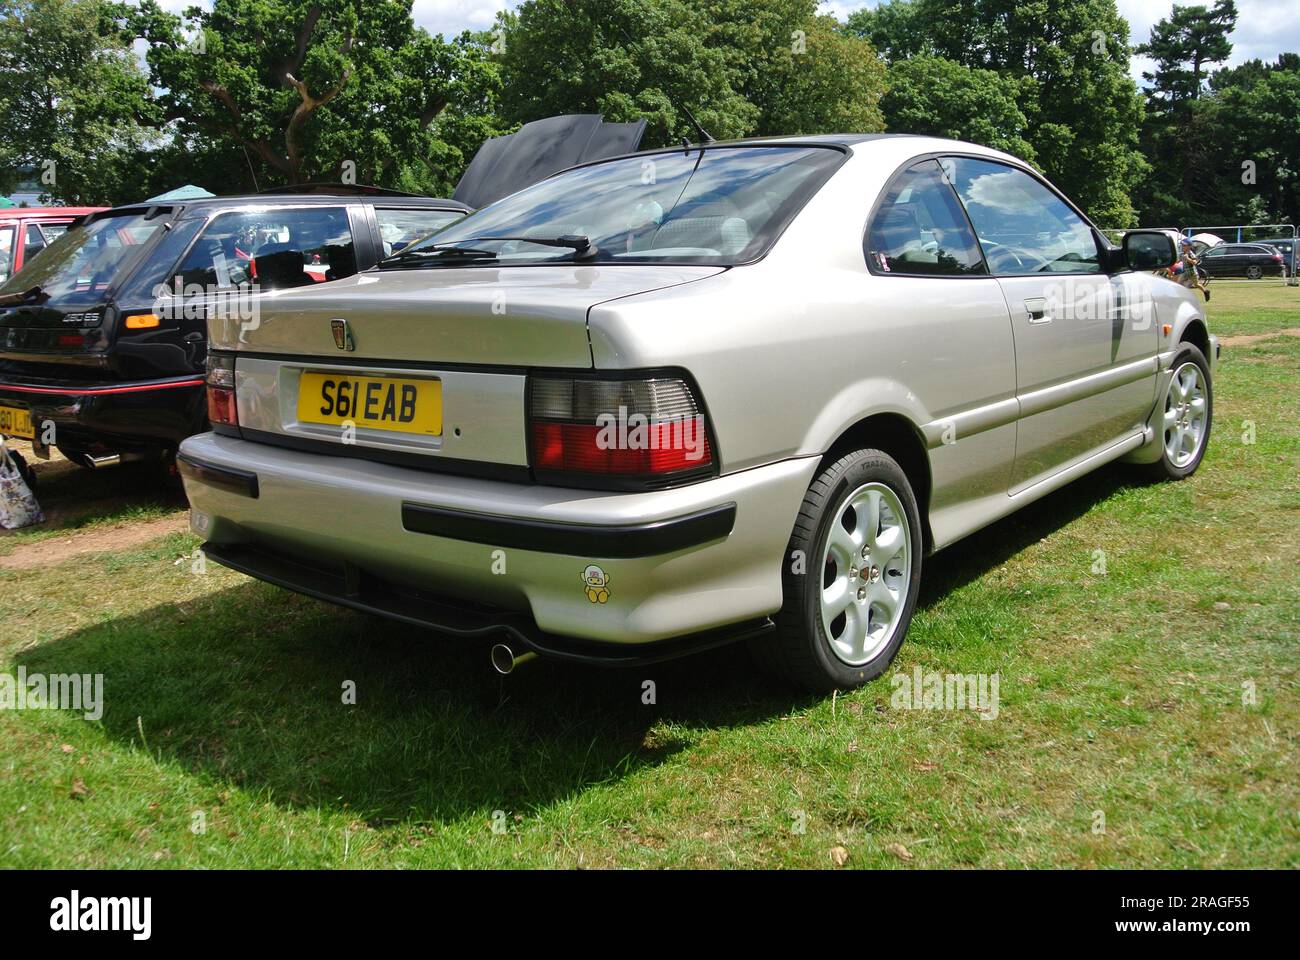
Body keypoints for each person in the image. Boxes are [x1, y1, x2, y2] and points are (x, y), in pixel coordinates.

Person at [1177, 237, 1210, 302]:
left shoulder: (1191, 254)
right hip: (1185, 272)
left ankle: (1206, 292)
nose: (1182, 247)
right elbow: (1178, 261)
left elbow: (1195, 262)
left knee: (1195, 284)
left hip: (1192, 273)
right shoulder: (1182, 254)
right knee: (1178, 284)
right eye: (1182, 245)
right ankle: (1179, 298)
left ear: (1189, 246)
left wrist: (1188, 259)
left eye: (1184, 245)